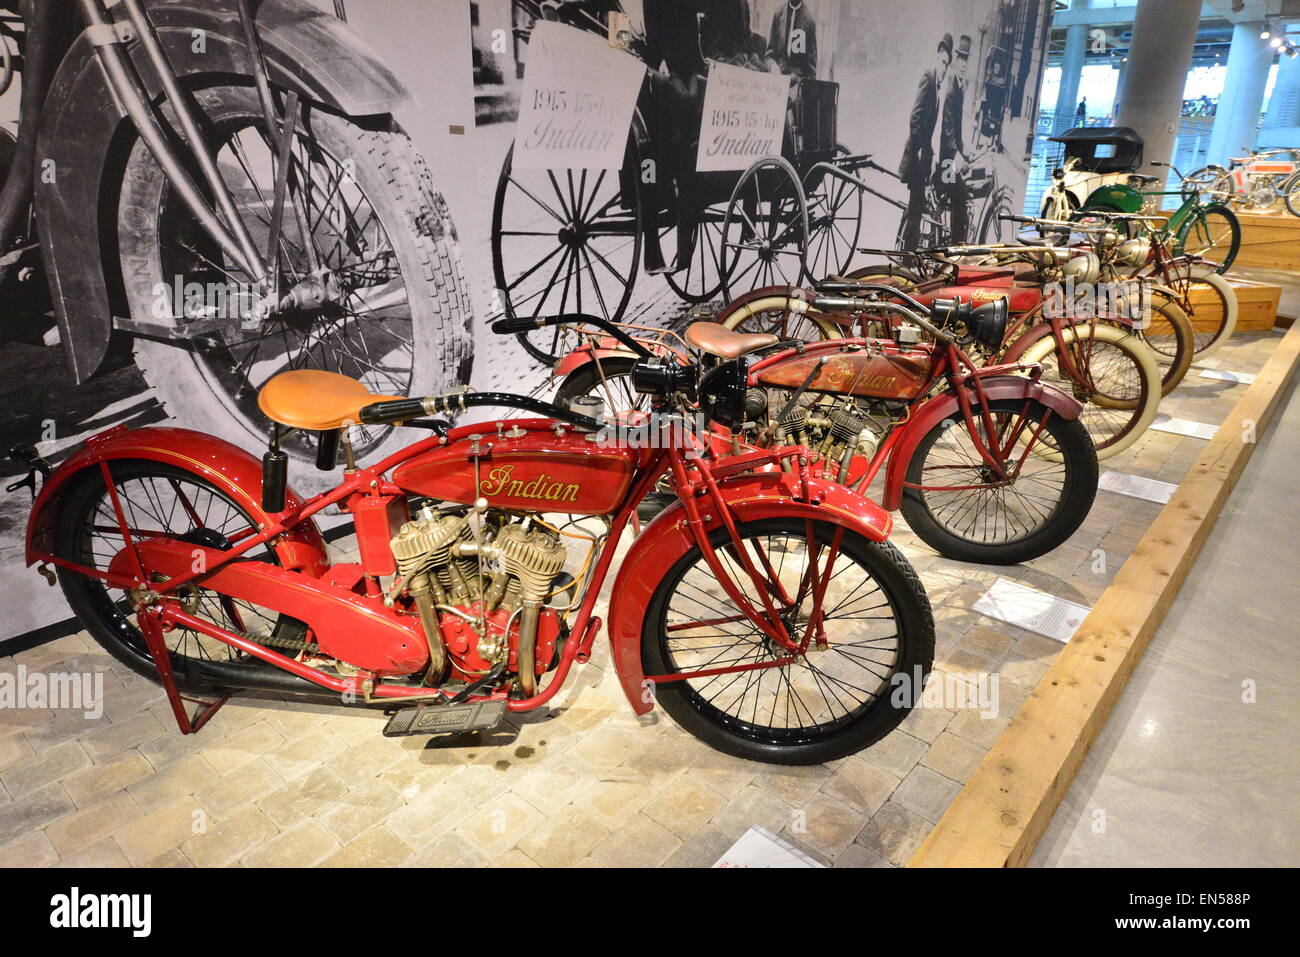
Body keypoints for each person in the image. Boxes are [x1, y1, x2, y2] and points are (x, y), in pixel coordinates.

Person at [898, 33, 952, 251]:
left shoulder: (938, 85)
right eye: (942, 62)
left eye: (947, 64)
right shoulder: (928, 78)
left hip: (924, 159)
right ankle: (907, 258)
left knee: (917, 208)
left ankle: (907, 250)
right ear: (937, 57)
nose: (944, 68)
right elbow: (915, 118)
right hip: (917, 159)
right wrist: (921, 150)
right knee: (915, 210)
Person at [936, 35, 972, 243]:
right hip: (946, 163)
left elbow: (957, 130)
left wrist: (965, 150)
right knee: (961, 195)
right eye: (961, 60)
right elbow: (948, 130)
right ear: (955, 60)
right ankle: (957, 247)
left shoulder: (959, 85)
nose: (964, 65)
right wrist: (957, 157)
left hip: (951, 155)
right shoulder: (952, 89)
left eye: (967, 61)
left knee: (963, 188)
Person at [765, 0, 818, 78]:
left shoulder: (809, 21)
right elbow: (769, 56)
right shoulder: (778, 14)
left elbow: (811, 70)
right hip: (777, 77)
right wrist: (773, 66)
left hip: (798, 81)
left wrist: (799, 80)